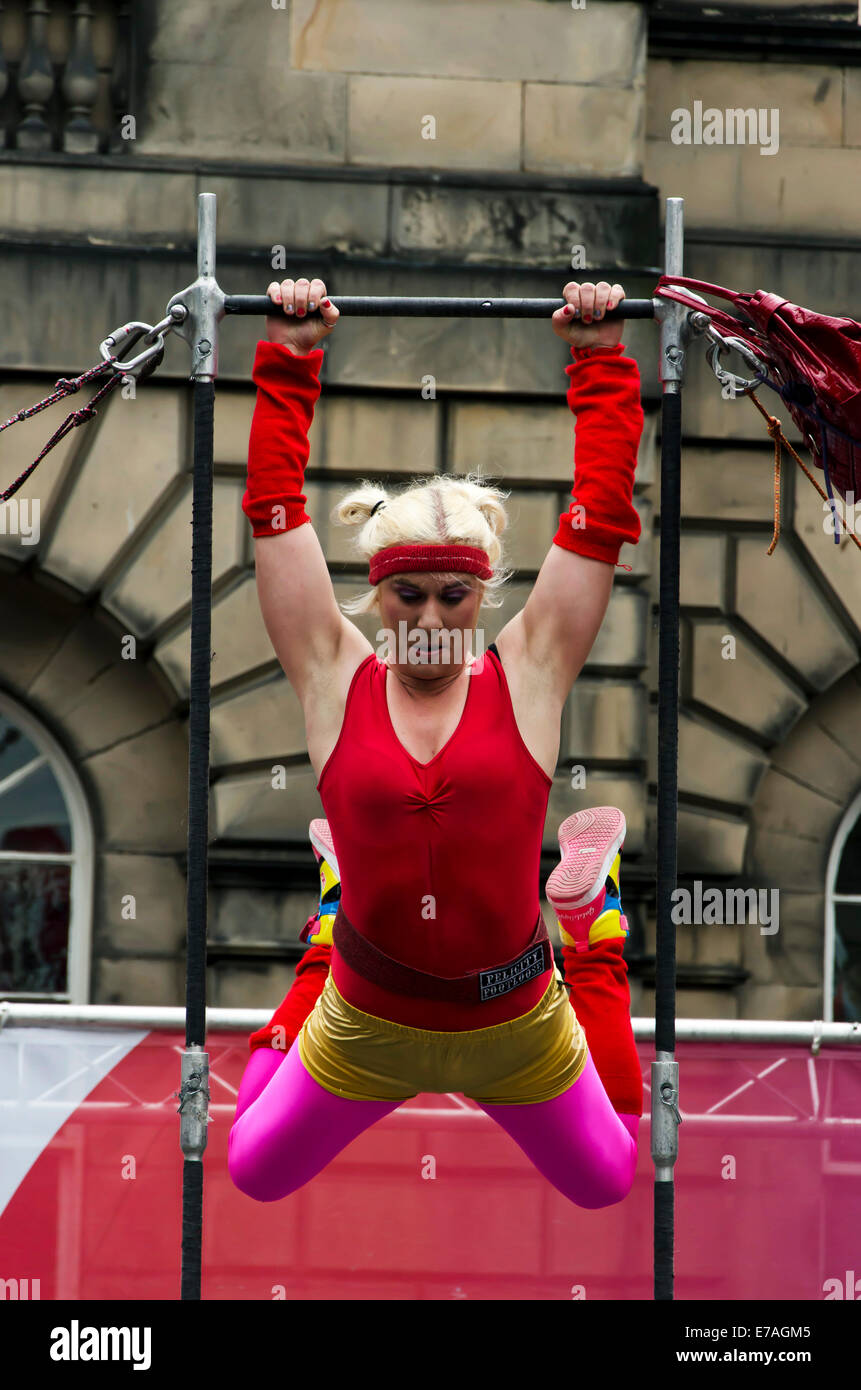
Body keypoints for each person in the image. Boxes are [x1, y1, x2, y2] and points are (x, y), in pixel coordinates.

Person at [228, 275, 645, 1210]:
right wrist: (290, 359)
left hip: (516, 1016)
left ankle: (591, 934)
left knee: (610, 1180)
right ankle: (330, 923)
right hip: (366, 1013)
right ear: (376, 594)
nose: (426, 617)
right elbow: (273, 511)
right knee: (253, 1168)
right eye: (405, 595)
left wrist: (599, 362)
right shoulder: (333, 674)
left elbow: (603, 516)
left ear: (483, 597)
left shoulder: (528, 670)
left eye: (451, 597)